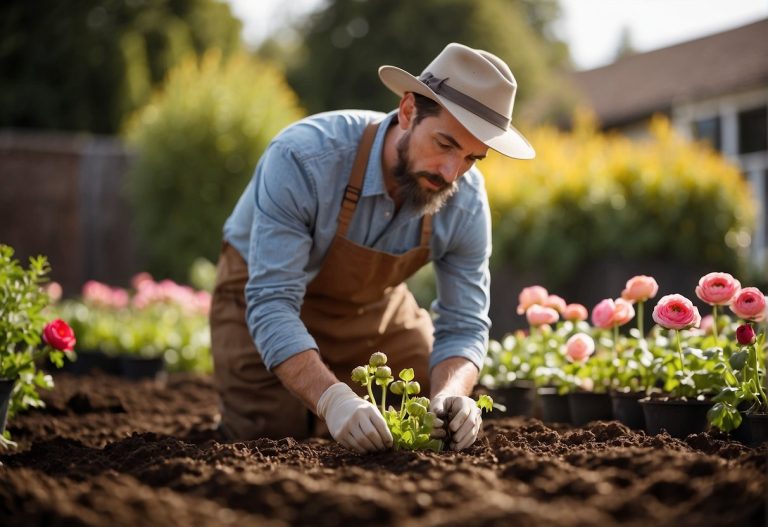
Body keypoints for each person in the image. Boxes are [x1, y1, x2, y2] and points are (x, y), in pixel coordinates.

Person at [210, 42, 535, 453]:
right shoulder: (304, 157)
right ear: (407, 112)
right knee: (268, 438)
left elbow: (464, 323)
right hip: (255, 297)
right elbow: (271, 301)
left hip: (368, 309)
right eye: (445, 144)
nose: (453, 172)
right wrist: (333, 399)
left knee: (424, 409)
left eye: (473, 158)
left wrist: (453, 393)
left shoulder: (465, 201)